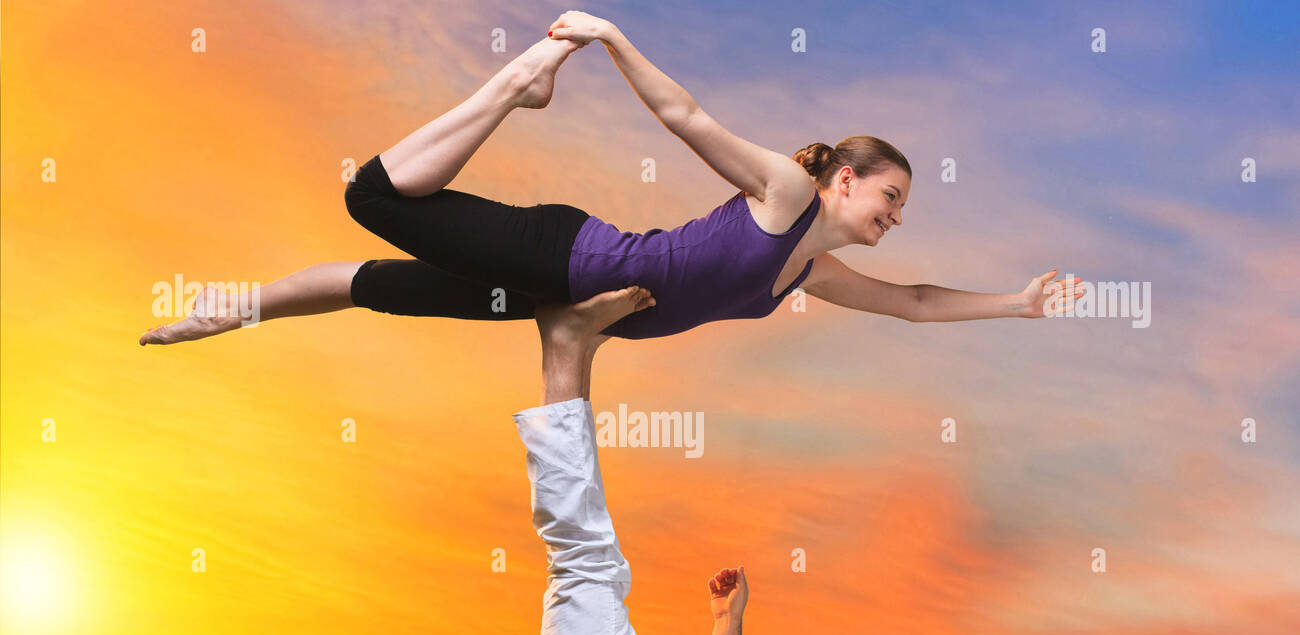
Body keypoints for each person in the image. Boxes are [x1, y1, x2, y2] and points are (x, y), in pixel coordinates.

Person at [139, 12, 1085, 347]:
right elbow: (686, 118)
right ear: (842, 179)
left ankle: (225, 313)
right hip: (570, 250)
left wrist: (1018, 303)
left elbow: (917, 304)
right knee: (371, 196)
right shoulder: (784, 199)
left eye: (902, 211)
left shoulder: (808, 271)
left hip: (558, 299)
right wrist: (610, 39)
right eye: (890, 199)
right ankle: (517, 85)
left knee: (370, 290)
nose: (895, 218)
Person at [519, 281, 994, 635]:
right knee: (586, 559)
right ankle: (580, 349)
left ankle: (566, 348)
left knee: (586, 558)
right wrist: (727, 620)